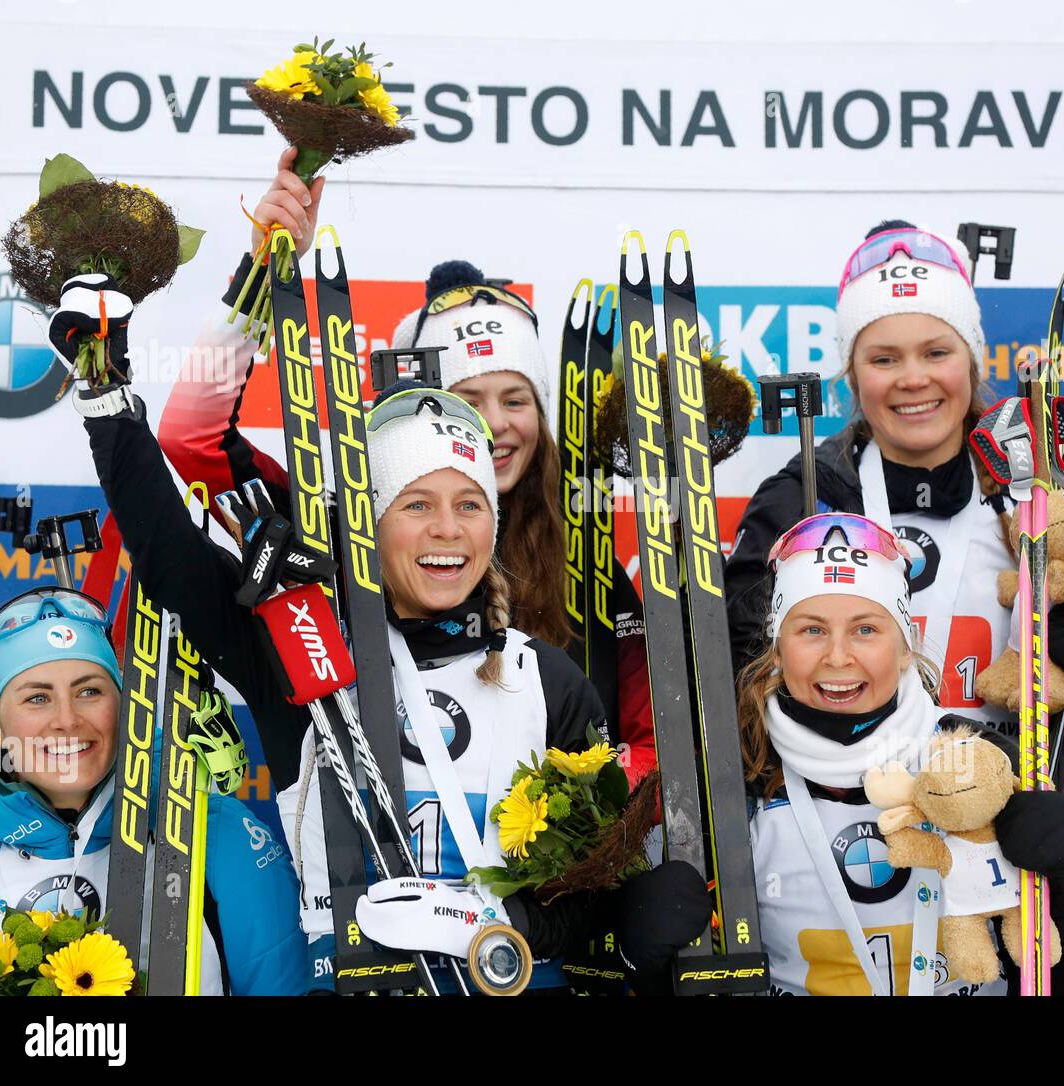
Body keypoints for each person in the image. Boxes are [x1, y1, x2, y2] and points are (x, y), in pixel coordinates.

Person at [51, 276, 697, 992]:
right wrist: (106, 398)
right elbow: (174, 564)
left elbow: (589, 887)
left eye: (469, 504)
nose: (447, 530)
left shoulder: (548, 678)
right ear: (370, 522)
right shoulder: (304, 648)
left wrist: (617, 921)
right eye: (416, 504)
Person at [155, 148, 655, 790]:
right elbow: (191, 436)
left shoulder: (582, 558)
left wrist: (581, 814)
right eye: (468, 403)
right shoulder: (342, 526)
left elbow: (643, 736)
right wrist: (263, 271)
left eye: (515, 400)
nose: (497, 426)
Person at [725, 220, 1064, 777]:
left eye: (936, 352)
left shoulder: (1034, 494)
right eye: (885, 359)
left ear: (972, 360)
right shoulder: (803, 497)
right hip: (844, 829)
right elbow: (733, 699)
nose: (913, 379)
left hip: (1009, 833)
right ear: (852, 373)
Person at [736, 512, 1064, 995]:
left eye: (865, 629)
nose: (838, 657)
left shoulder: (976, 759)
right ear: (777, 649)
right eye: (811, 630)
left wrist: (1062, 898)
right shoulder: (741, 770)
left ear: (906, 646)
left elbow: (1054, 972)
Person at [0, 587, 308, 994]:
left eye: (89, 692)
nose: (66, 719)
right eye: (37, 698)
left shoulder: (216, 832)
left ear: (126, 704)